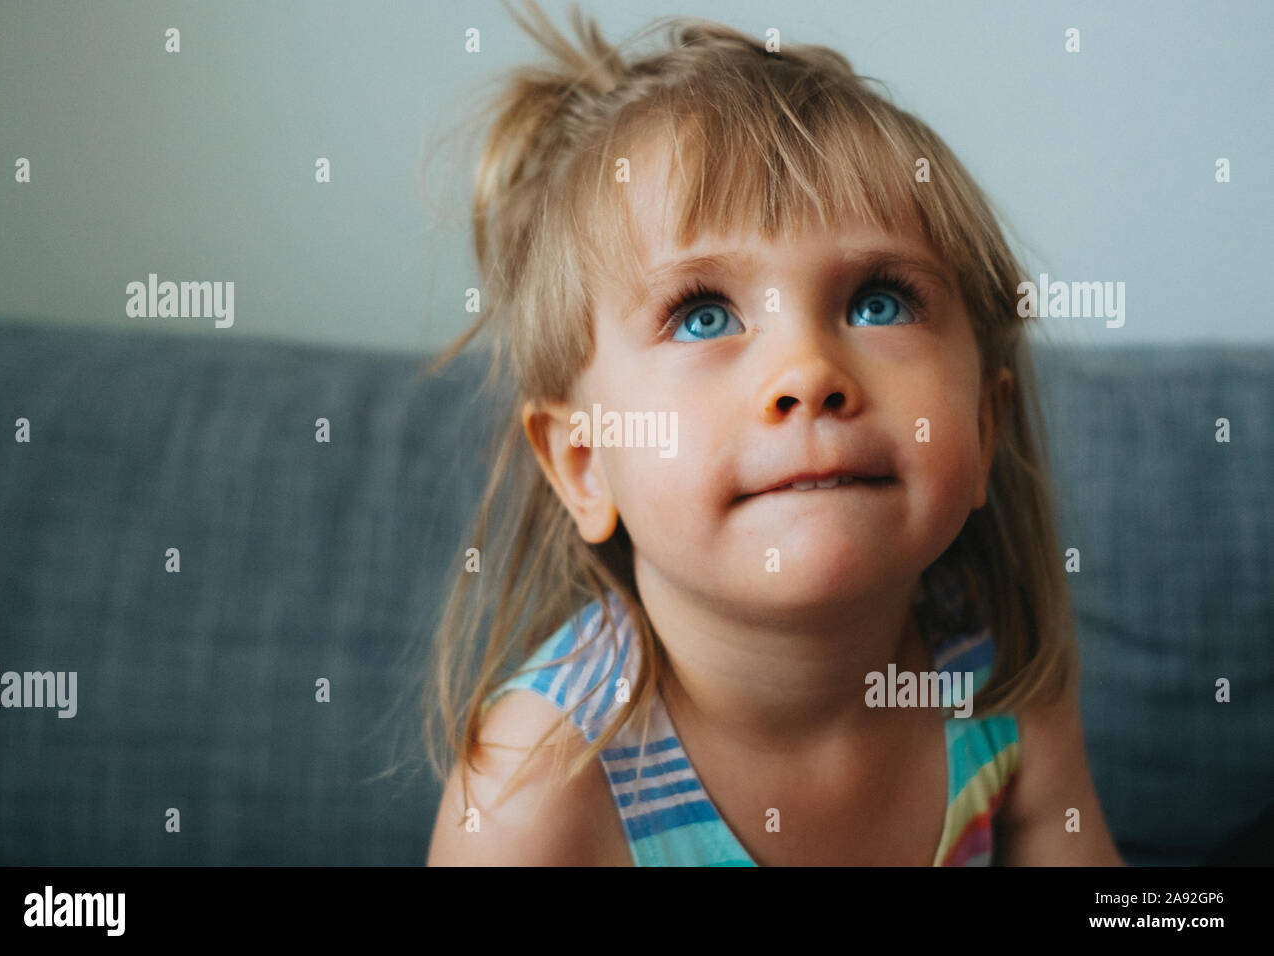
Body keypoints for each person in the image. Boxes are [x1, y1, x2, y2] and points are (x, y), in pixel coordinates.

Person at [423, 0, 1123, 866]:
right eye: (704, 316)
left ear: (985, 429)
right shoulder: (538, 788)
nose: (808, 373)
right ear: (583, 463)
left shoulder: (997, 682)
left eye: (878, 301)